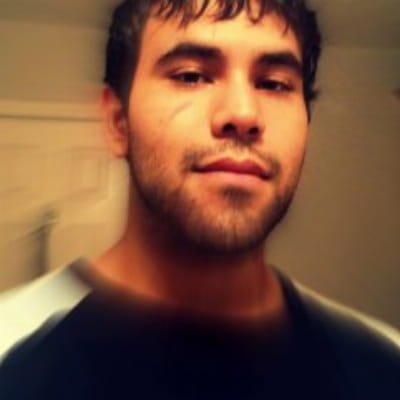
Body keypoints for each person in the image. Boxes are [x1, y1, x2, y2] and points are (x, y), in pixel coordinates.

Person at [0, 0, 399, 398]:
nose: (243, 113)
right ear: (118, 123)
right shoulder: (12, 357)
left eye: (274, 84)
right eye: (191, 76)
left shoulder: (384, 367)